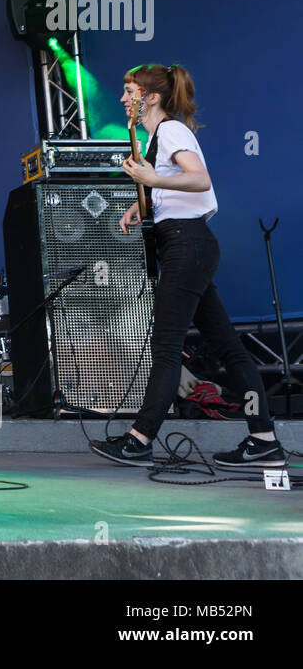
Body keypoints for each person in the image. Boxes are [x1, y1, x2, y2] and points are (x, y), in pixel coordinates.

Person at [90, 63, 282, 468]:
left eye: (130, 91)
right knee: (229, 347)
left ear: (152, 96)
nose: (124, 99)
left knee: (165, 347)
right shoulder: (156, 138)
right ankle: (263, 439)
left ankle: (140, 439)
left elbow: (199, 180)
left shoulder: (170, 131)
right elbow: (174, 188)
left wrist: (151, 181)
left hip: (186, 246)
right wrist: (138, 205)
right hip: (187, 245)